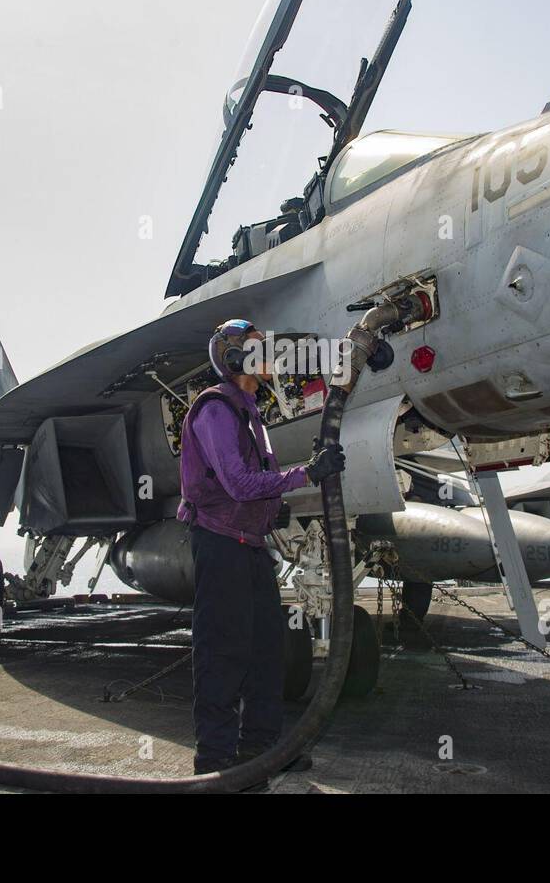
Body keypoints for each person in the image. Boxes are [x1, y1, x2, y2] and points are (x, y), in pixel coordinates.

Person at [177, 318, 346, 776]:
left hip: (249, 543)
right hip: (218, 542)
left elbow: (252, 488)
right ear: (233, 358)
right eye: (256, 347)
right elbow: (235, 482)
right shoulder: (215, 409)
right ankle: (214, 761)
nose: (268, 354)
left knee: (267, 649)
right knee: (223, 652)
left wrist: (273, 512)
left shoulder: (251, 410)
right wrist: (307, 474)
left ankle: (261, 749)